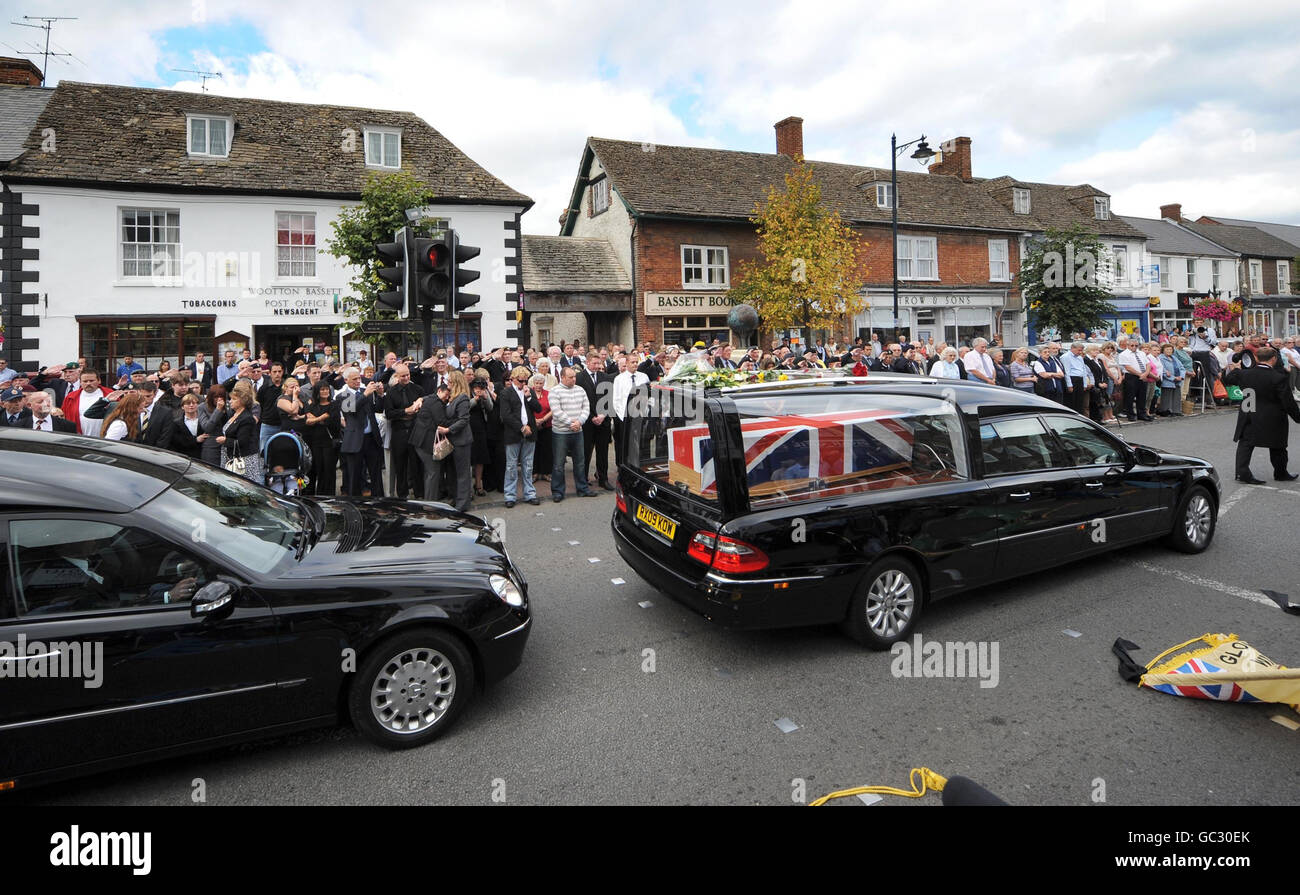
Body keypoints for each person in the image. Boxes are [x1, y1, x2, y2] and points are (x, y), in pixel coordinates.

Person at [1222, 347, 1300, 483]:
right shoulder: (1278, 377)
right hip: (1272, 414)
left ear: (1257, 358)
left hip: (1248, 410)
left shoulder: (1244, 374)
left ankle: (1242, 473)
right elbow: (1287, 401)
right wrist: (1297, 417)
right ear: (1274, 359)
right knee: (1278, 445)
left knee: (1245, 443)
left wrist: (1236, 368)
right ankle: (1280, 473)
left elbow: (1228, 380)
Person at [499, 366, 543, 507]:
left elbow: (538, 409)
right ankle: (510, 496)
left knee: (528, 465)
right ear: (513, 379)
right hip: (514, 434)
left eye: (525, 380)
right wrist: (521, 427)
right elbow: (506, 415)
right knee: (511, 466)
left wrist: (529, 397)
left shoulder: (528, 391)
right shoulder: (506, 393)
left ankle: (529, 494)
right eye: (520, 380)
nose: (523, 383)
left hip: (530, 434)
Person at [549, 365, 594, 501]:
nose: (574, 379)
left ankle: (582, 488)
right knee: (558, 464)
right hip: (561, 432)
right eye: (570, 377)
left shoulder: (580, 390)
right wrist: (571, 423)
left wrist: (579, 422)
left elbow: (586, 407)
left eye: (574, 377)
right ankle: (558, 491)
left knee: (580, 462)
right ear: (562, 377)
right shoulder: (555, 391)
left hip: (578, 431)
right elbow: (556, 411)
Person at [339, 368, 385, 498]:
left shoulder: (365, 392)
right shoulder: (343, 395)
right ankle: (355, 501)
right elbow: (351, 410)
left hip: (371, 438)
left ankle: (379, 500)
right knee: (355, 474)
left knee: (376, 473)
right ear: (346, 380)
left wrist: (381, 395)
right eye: (354, 379)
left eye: (359, 378)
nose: (358, 381)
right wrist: (365, 395)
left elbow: (378, 409)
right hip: (355, 439)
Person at [383, 362, 425, 500]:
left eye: (407, 375)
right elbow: (389, 413)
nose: (406, 378)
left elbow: (424, 409)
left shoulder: (418, 389)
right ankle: (402, 494)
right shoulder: (391, 392)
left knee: (416, 464)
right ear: (397, 376)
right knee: (400, 465)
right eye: (403, 376)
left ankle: (419, 493)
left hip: (414, 430)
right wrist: (404, 412)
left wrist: (416, 410)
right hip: (399, 432)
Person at [576, 351, 614, 489]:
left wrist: (603, 415)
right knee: (585, 452)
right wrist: (591, 416)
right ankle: (583, 479)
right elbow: (579, 400)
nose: (597, 366)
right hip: (587, 421)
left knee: (602, 451)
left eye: (599, 363)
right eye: (594, 363)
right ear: (587, 362)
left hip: (603, 421)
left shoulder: (606, 377)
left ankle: (603, 478)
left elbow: (610, 398)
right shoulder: (579, 378)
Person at [411, 381, 452, 502]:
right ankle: (430, 504)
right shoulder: (436, 403)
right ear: (439, 391)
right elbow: (442, 421)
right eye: (446, 394)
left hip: (420, 441)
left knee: (430, 472)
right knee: (433, 473)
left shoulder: (430, 399)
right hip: (426, 442)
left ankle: (430, 501)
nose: (447, 397)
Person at [441, 370, 474, 511]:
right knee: (452, 472)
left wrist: (448, 430)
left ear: (456, 383)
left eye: (450, 382)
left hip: (461, 441)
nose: (447, 384)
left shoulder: (463, 399)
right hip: (453, 441)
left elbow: (463, 420)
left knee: (462, 473)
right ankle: (455, 498)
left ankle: (463, 503)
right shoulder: (452, 398)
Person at [217, 382, 262, 483]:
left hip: (244, 461)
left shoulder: (247, 418)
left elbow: (242, 442)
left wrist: (225, 440)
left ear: (242, 401)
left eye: (234, 399)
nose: (230, 401)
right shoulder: (234, 414)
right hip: (230, 457)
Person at [303, 380, 341, 496]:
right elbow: (308, 421)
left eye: (326, 389)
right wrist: (321, 418)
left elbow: (331, 421)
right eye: (322, 389)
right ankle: (320, 495)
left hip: (329, 442)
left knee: (329, 471)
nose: (325, 392)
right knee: (319, 469)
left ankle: (329, 495)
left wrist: (315, 419)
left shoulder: (334, 404)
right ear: (317, 392)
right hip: (316, 442)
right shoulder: (312, 405)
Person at [468, 369, 495, 497]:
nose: (479, 389)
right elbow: (466, 406)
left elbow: (490, 408)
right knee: (470, 458)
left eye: (481, 387)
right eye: (477, 387)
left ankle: (479, 484)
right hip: (468, 428)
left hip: (481, 428)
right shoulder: (466, 392)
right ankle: (469, 487)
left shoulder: (485, 391)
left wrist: (485, 397)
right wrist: (476, 398)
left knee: (481, 457)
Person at [530, 373, 553, 485]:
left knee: (547, 449)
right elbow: (526, 408)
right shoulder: (529, 393)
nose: (538, 385)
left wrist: (543, 419)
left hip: (546, 424)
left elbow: (553, 409)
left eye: (541, 383)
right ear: (533, 383)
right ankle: (534, 472)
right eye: (536, 383)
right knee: (534, 450)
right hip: (532, 425)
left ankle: (546, 472)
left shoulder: (548, 394)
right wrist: (534, 420)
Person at [1062, 341, 1095, 417]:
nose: (1080, 352)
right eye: (1079, 350)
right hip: (1072, 379)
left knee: (1080, 402)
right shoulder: (1066, 357)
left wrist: (1084, 384)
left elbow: (1083, 371)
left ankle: (1079, 417)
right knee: (1072, 401)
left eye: (1081, 350)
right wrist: (1069, 385)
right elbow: (1066, 372)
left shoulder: (1080, 357)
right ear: (1072, 348)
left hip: (1080, 380)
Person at [198, 385, 228, 466]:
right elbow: (207, 427)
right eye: (216, 397)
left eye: (221, 397)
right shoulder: (202, 407)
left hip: (227, 444)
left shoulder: (229, 405)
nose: (219, 399)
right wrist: (218, 410)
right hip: (212, 446)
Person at [170, 393, 205, 458]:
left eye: (194, 403)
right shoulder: (176, 423)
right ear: (182, 407)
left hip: (202, 455)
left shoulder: (203, 420)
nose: (191, 405)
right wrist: (195, 440)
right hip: (184, 456)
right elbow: (177, 441)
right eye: (188, 403)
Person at [1156, 344, 1185, 417]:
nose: (1169, 351)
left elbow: (1182, 367)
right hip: (1168, 380)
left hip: (1178, 380)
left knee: (1177, 396)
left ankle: (1176, 410)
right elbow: (1163, 370)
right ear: (1163, 350)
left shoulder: (1174, 358)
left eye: (1170, 349)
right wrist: (1173, 378)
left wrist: (1181, 376)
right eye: (1167, 349)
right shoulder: (1161, 358)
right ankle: (1166, 411)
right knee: (1166, 396)